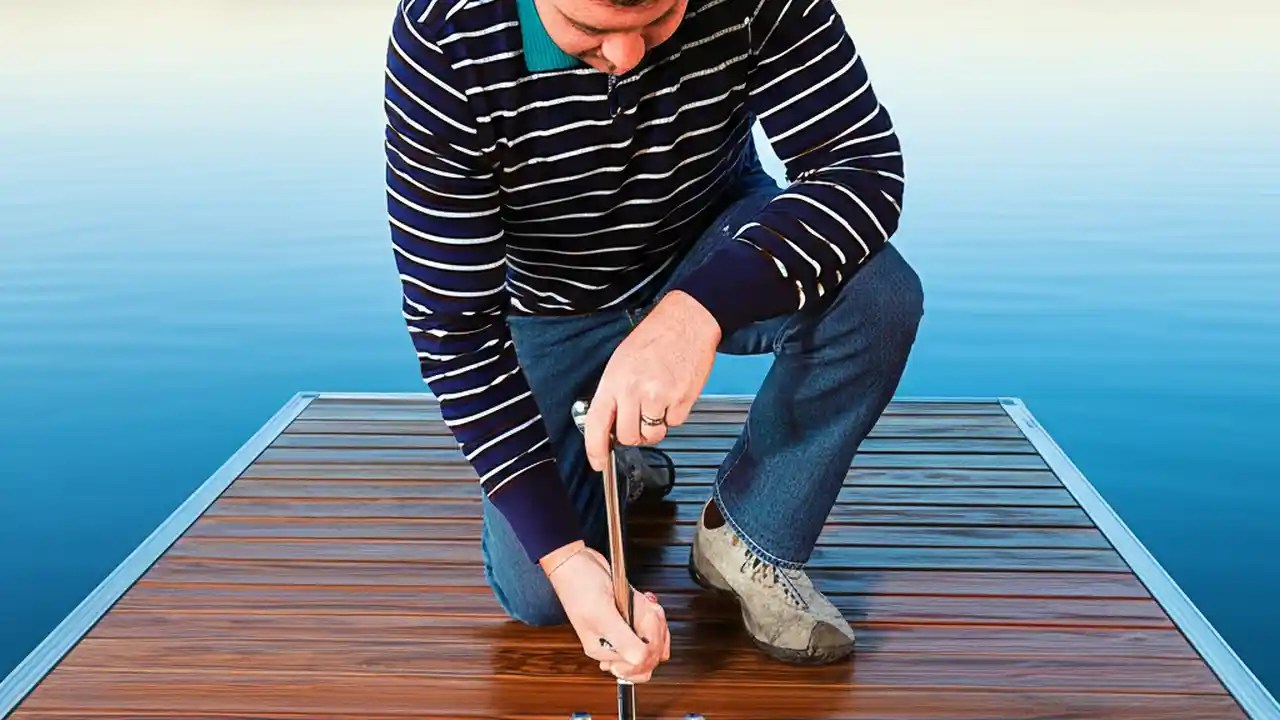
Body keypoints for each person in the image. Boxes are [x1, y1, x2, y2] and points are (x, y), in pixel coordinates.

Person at [382, 0, 923, 686]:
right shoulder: (446, 32)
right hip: (551, 304)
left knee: (877, 295)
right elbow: (454, 328)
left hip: (710, 246)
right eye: (592, 30)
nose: (629, 57)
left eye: (661, 15)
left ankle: (749, 535)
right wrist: (564, 560)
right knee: (541, 597)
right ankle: (614, 458)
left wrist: (697, 309)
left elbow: (862, 169)